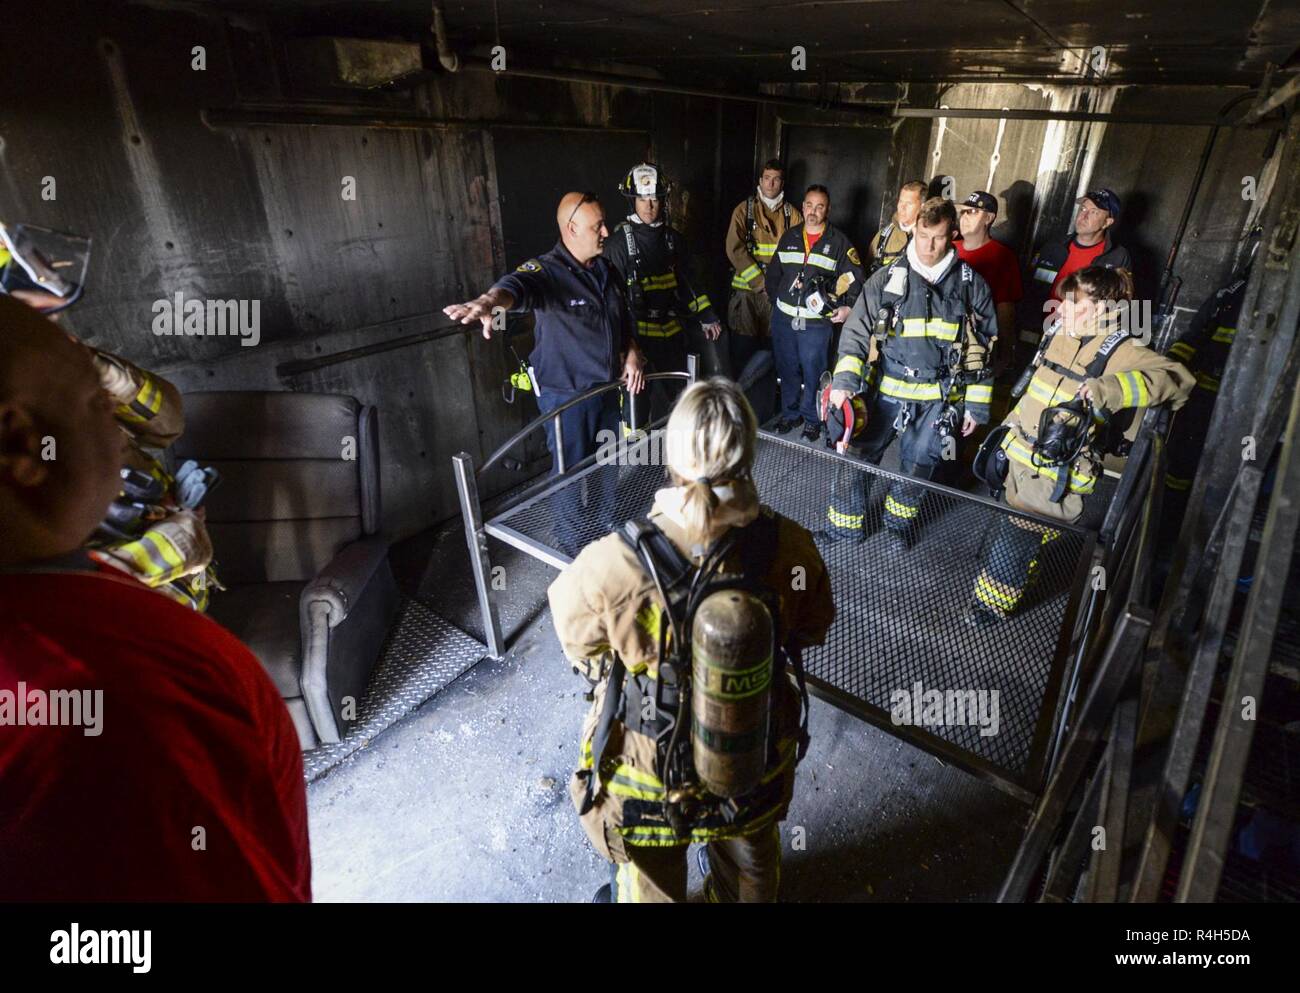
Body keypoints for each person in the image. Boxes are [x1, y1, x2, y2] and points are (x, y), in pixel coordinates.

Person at [0, 296, 311, 900]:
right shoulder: (116, 686)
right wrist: (159, 555)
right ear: (20, 446)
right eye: (93, 404)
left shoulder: (53, 599)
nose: (118, 438)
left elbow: (164, 418)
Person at [547, 378, 835, 903]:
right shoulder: (791, 546)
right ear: (748, 452)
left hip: (650, 778)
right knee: (752, 867)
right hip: (755, 753)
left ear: (671, 458)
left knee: (650, 884)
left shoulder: (612, 564)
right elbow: (812, 626)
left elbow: (578, 644)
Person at [965, 267, 1194, 626]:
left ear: (1104, 308)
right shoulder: (1062, 333)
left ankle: (990, 606)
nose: (1063, 310)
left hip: (1056, 471)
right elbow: (1038, 389)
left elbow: (1180, 381)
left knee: (1017, 537)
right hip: (1018, 456)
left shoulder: (1124, 349)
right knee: (1018, 533)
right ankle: (1020, 569)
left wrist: (1112, 389)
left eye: (1075, 304)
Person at [444, 191, 647, 557]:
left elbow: (623, 319)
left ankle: (603, 525)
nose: (606, 231)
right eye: (597, 225)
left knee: (608, 460)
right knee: (569, 472)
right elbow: (516, 287)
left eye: (603, 223)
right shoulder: (547, 271)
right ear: (571, 228)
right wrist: (489, 302)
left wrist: (632, 352)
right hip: (566, 396)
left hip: (605, 390)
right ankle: (572, 549)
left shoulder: (606, 268)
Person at [824, 197, 997, 551]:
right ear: (913, 230)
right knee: (857, 455)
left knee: (919, 467)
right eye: (921, 235)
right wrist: (843, 385)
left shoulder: (971, 286)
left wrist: (976, 407)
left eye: (937, 237)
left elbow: (984, 350)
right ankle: (844, 527)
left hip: (938, 397)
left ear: (952, 234)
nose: (928, 246)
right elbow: (855, 334)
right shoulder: (886, 279)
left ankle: (895, 527)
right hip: (885, 389)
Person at [604, 163, 720, 423]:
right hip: (637, 340)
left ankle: (678, 456)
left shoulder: (673, 240)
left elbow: (690, 281)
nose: (649, 205)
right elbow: (613, 303)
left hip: (671, 335)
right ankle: (637, 461)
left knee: (680, 402)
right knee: (636, 409)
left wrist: (707, 314)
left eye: (655, 198)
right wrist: (624, 348)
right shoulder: (618, 246)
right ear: (632, 200)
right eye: (643, 198)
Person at [765, 184, 865, 441]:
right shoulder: (789, 237)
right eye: (809, 205)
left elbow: (855, 279)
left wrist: (847, 307)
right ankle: (790, 415)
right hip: (784, 321)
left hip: (816, 325)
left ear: (827, 209)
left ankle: (812, 419)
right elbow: (773, 275)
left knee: (814, 372)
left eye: (819, 206)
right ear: (803, 207)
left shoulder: (839, 242)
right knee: (786, 369)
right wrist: (780, 303)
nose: (813, 211)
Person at [725, 159, 802, 377]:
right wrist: (761, 283)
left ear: (782, 183)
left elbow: (798, 255)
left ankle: (767, 403)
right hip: (747, 294)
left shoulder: (792, 215)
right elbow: (734, 249)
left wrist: (776, 286)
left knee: (773, 351)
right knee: (743, 350)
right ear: (760, 180)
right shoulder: (744, 211)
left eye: (776, 179)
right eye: (767, 178)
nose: (771, 184)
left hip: (776, 297)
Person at [955, 190, 1023, 374]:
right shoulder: (950, 248)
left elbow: (1005, 308)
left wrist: (1005, 353)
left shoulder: (1002, 256)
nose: (965, 217)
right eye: (963, 212)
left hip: (979, 343)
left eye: (973, 212)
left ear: (989, 218)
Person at [1030, 188, 1131, 306]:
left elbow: (1122, 303)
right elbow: (1031, 288)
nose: (1084, 216)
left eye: (1094, 212)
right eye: (1083, 209)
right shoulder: (1054, 247)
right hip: (1042, 322)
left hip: (1083, 324)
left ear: (1107, 222)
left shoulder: (1117, 257)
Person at [867, 180, 926, 273]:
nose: (902, 207)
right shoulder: (884, 236)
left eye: (909, 204)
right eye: (901, 201)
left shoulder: (929, 237)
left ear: (922, 207)